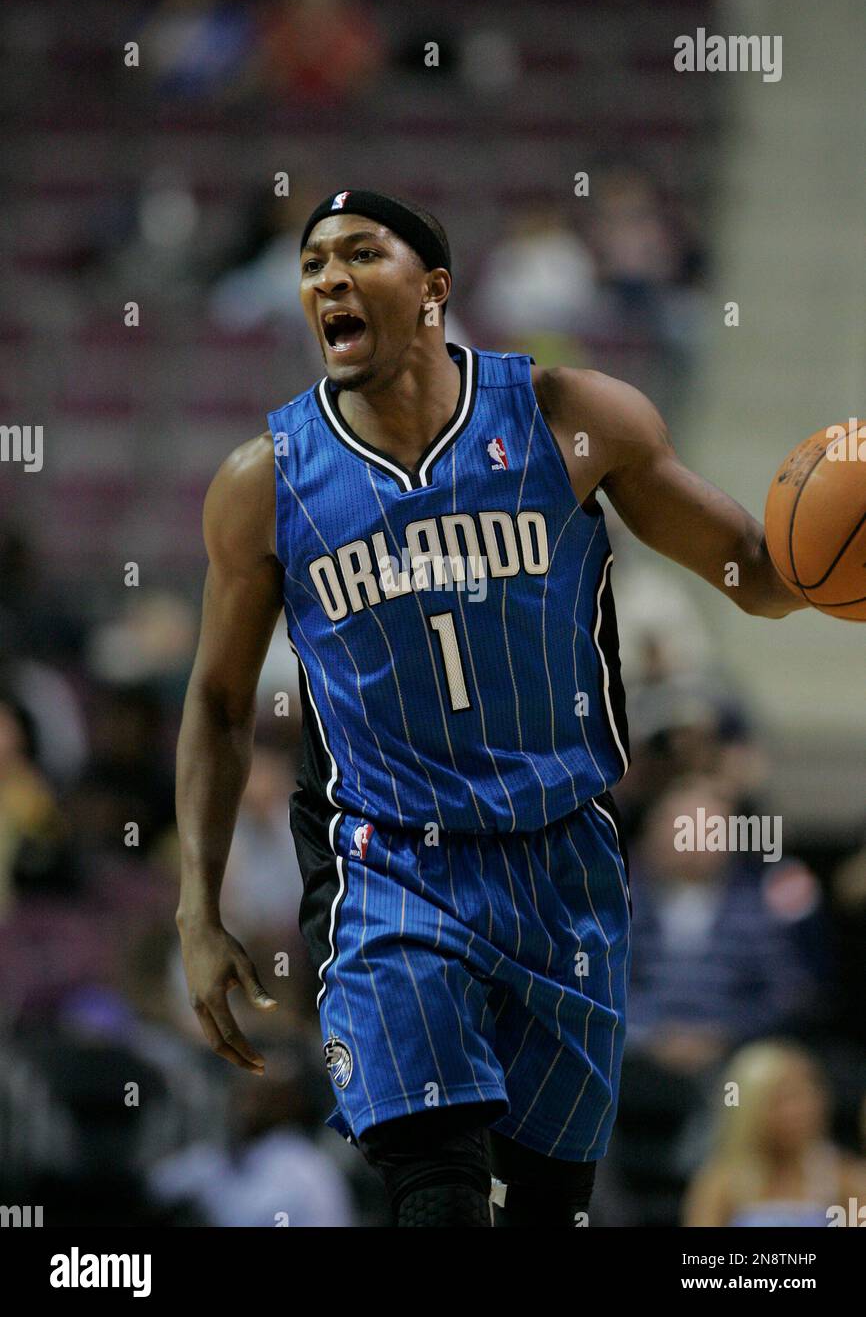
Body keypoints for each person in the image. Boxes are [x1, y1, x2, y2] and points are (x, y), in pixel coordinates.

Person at [175, 189, 808, 1229]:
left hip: (559, 856)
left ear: (433, 291)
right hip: (389, 860)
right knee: (437, 1188)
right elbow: (214, 700)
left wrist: (831, 565)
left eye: (358, 254)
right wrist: (195, 907)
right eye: (310, 264)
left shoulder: (572, 418)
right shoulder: (264, 482)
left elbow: (748, 568)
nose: (326, 277)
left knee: (546, 1205)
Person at [682, 1041, 866, 1227]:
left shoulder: (848, 1179)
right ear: (749, 1109)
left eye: (805, 1096)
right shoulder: (720, 1183)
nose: (797, 1112)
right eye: (781, 1100)